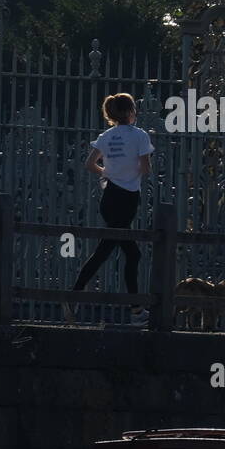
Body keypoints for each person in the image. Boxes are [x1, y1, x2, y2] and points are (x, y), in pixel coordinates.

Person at [66, 93, 154, 326]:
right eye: (134, 108)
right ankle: (135, 312)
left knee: (113, 251)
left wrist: (108, 172)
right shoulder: (140, 136)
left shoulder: (107, 136)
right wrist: (131, 168)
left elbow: (89, 164)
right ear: (128, 112)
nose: (136, 112)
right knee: (126, 253)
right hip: (127, 198)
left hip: (109, 197)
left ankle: (76, 296)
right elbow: (146, 169)